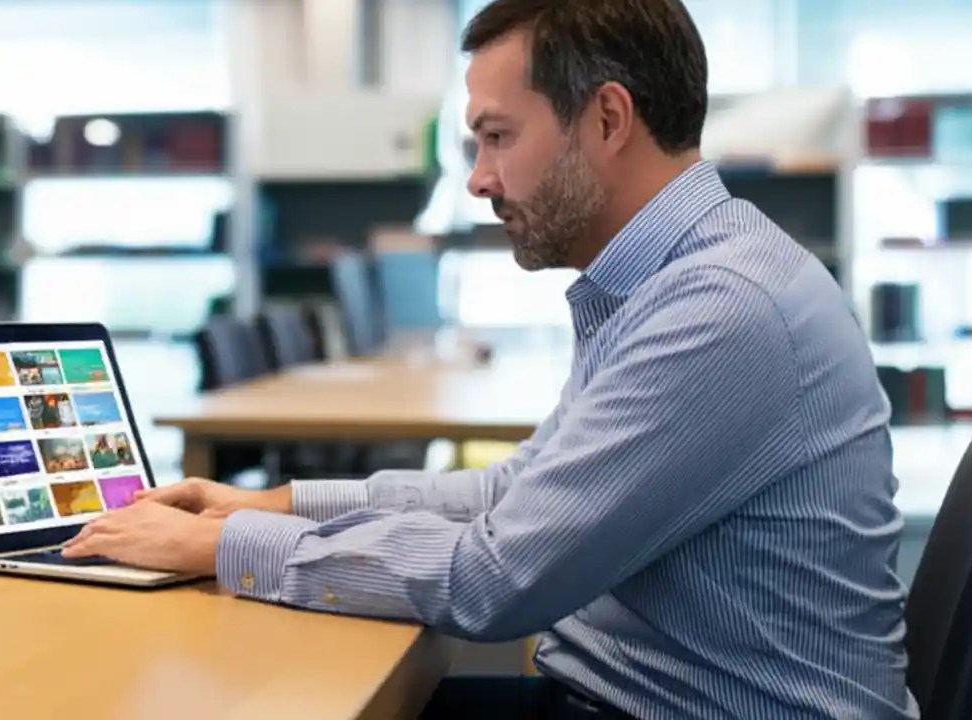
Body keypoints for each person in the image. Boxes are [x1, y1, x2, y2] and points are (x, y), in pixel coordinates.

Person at [64, 1, 918, 717]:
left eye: (497, 137)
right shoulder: (673, 278)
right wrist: (273, 504)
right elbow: (514, 494)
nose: (479, 179)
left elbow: (494, 580)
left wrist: (223, 548)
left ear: (609, 120)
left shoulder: (720, 308)